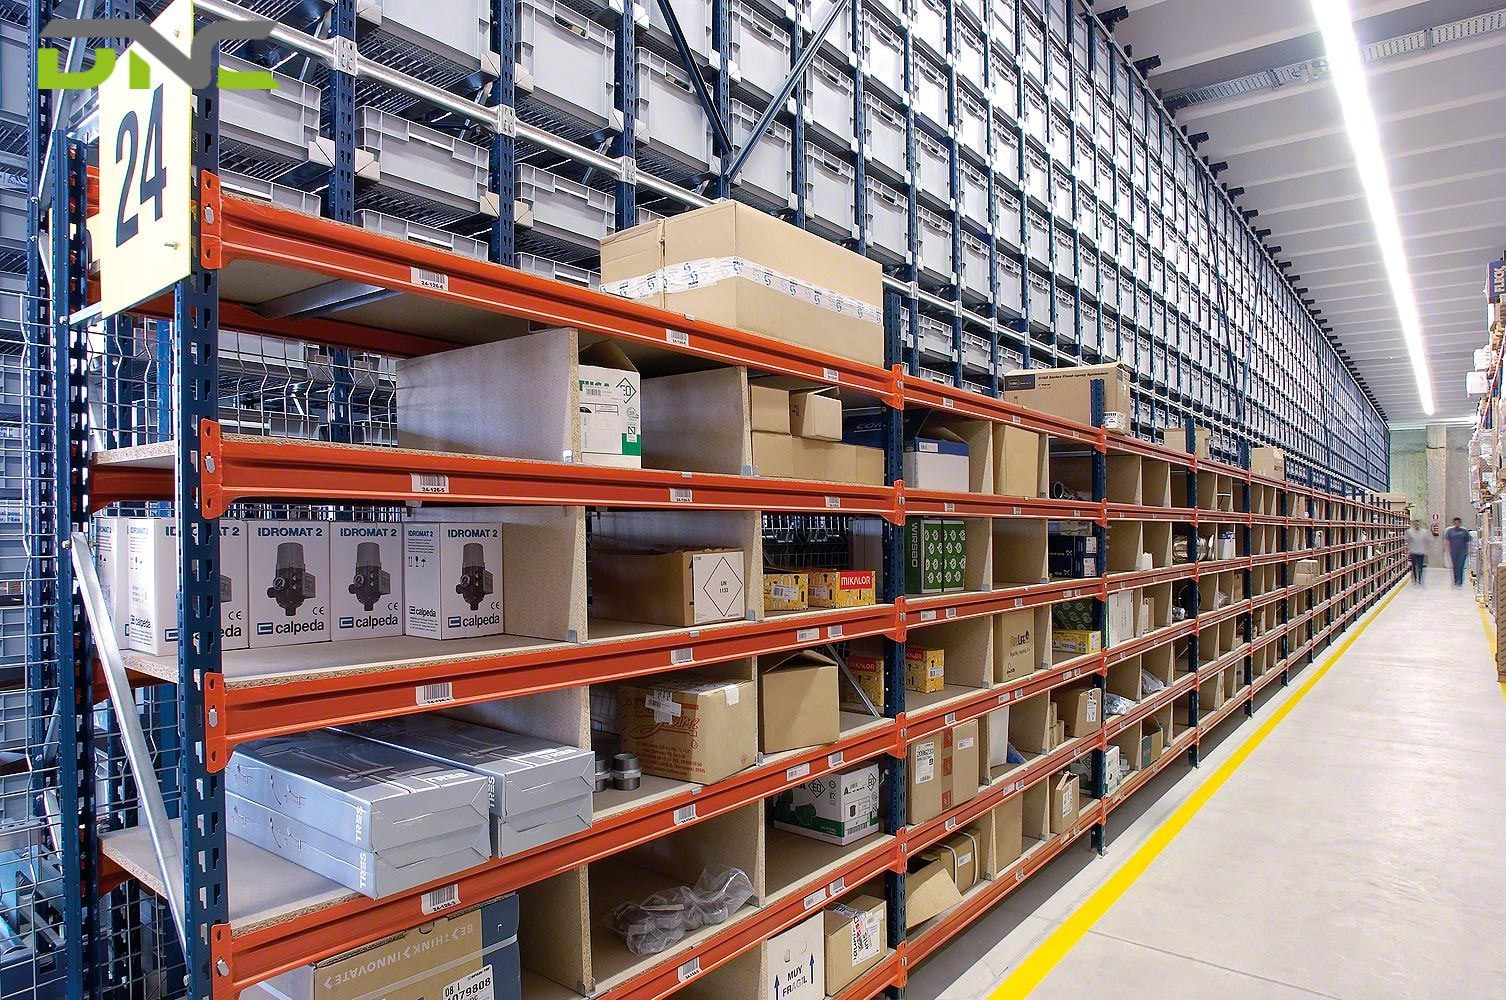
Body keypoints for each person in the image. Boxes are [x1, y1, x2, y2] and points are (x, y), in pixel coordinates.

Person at [1445, 517, 1472, 588]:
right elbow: (1447, 541)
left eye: (1458, 522)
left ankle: (1460, 580)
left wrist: (1468, 551)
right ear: (1453, 523)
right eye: (1455, 522)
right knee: (1455, 566)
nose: (1457, 524)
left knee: (1460, 565)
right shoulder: (1450, 531)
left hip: (1462, 551)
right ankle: (1455, 580)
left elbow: (1468, 541)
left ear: (1460, 523)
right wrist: (1447, 549)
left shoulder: (1464, 531)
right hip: (1453, 551)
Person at [1405, 519, 1429, 585]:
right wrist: (1407, 550)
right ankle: (1415, 579)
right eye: (1415, 524)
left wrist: (1426, 549)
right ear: (1413, 524)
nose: (1417, 525)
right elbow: (1407, 541)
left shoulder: (1424, 532)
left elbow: (1427, 541)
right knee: (1414, 566)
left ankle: (1420, 579)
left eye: (1418, 524)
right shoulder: (1409, 532)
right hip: (1413, 552)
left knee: (1420, 566)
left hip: (1421, 552)